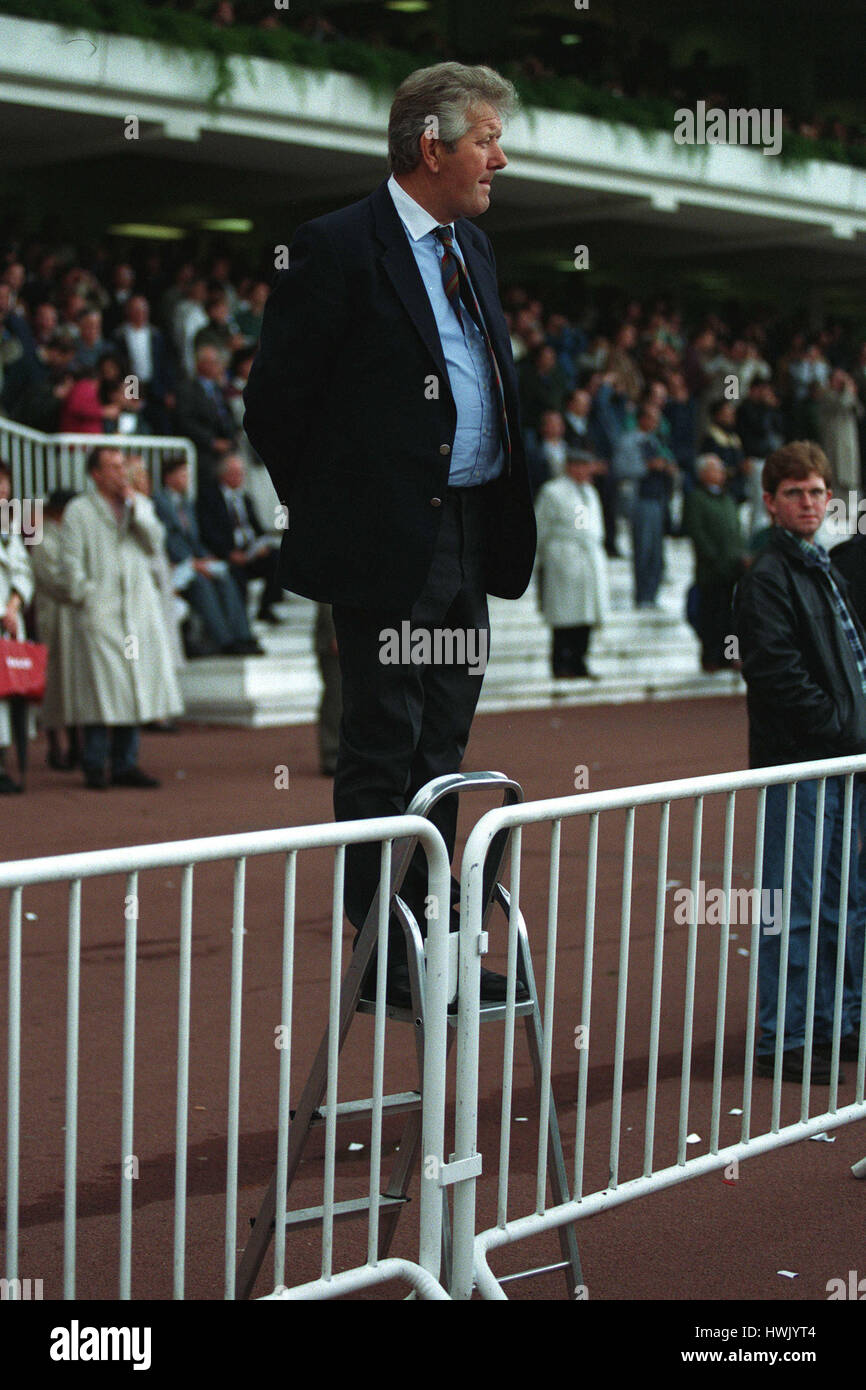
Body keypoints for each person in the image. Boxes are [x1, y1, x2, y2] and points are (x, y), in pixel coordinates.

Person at [243, 61, 536, 1006]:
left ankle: (439, 946)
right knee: (384, 745)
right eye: (487, 138)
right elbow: (275, 408)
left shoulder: (473, 249)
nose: (501, 156)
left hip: (468, 533)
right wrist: (346, 514)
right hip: (387, 546)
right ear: (431, 146)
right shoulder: (334, 246)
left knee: (443, 748)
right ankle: (387, 962)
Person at [734, 441, 865, 1083]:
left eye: (816, 492)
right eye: (795, 493)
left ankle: (834, 1025)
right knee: (798, 905)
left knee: (843, 900)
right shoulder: (767, 577)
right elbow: (779, 676)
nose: (808, 503)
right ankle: (783, 1039)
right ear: (770, 502)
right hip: (803, 766)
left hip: (841, 763)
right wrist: (841, 728)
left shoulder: (824, 569)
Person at [60, 445, 183, 789]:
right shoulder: (79, 510)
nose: (120, 473)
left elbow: (155, 543)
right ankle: (95, 764)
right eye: (113, 467)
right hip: (102, 612)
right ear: (96, 473)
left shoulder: (139, 504)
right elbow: (70, 564)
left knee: (135, 685)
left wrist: (135, 507)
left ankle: (126, 763)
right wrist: (87, 596)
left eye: (122, 466)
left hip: (138, 611)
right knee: (101, 689)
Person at [154, 455, 263, 656]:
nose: (187, 479)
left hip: (195, 560)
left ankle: (242, 634)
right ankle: (225, 641)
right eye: (182, 474)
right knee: (202, 584)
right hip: (177, 565)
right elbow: (167, 540)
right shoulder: (159, 502)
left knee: (224, 575)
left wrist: (206, 557)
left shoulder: (187, 504)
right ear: (169, 477)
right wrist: (193, 562)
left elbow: (196, 539)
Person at [535, 448, 609, 679]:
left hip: (588, 557)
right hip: (563, 556)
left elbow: (588, 526)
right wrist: (542, 556)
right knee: (564, 614)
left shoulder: (589, 491)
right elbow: (541, 526)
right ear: (572, 466)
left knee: (585, 613)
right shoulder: (553, 491)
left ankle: (580, 662)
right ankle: (561, 664)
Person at [196, 453, 283, 624]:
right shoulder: (210, 498)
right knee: (236, 574)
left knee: (277, 558)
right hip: (227, 554)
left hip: (250, 551)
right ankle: (239, 621)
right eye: (235, 473)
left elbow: (257, 529)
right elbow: (208, 532)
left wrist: (260, 546)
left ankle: (266, 608)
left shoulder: (245, 498)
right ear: (224, 474)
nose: (240, 477)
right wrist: (229, 553)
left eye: (241, 473)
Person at [28, 488, 81, 771]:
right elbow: (54, 579)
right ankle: (54, 746)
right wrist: (81, 587)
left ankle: (76, 744)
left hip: (74, 617)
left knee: (75, 682)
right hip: (55, 618)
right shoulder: (45, 538)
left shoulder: (70, 533)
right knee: (54, 682)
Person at [682, 454, 748, 672]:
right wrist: (714, 558)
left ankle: (729, 656)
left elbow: (736, 532)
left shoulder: (728, 500)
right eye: (713, 470)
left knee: (732, 618)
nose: (719, 474)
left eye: (720, 470)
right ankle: (710, 657)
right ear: (702, 474)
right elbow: (698, 533)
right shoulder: (696, 499)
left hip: (733, 569)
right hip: (711, 571)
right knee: (711, 617)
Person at [0, 461, 35, 793]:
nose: (3, 491)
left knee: (11, 695)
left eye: (6, 485)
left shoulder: (10, 523)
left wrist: (12, 606)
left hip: (10, 624)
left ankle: (9, 764)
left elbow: (23, 571)